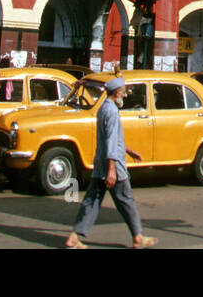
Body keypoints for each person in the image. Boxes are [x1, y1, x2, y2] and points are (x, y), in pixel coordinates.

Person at [65, 77, 155, 249]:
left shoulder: (103, 108)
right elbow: (111, 140)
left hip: (101, 164)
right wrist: (112, 169)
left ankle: (74, 237)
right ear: (117, 93)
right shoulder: (112, 111)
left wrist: (128, 150)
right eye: (124, 91)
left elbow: (111, 138)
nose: (125, 94)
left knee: (91, 201)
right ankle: (138, 237)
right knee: (126, 201)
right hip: (113, 166)